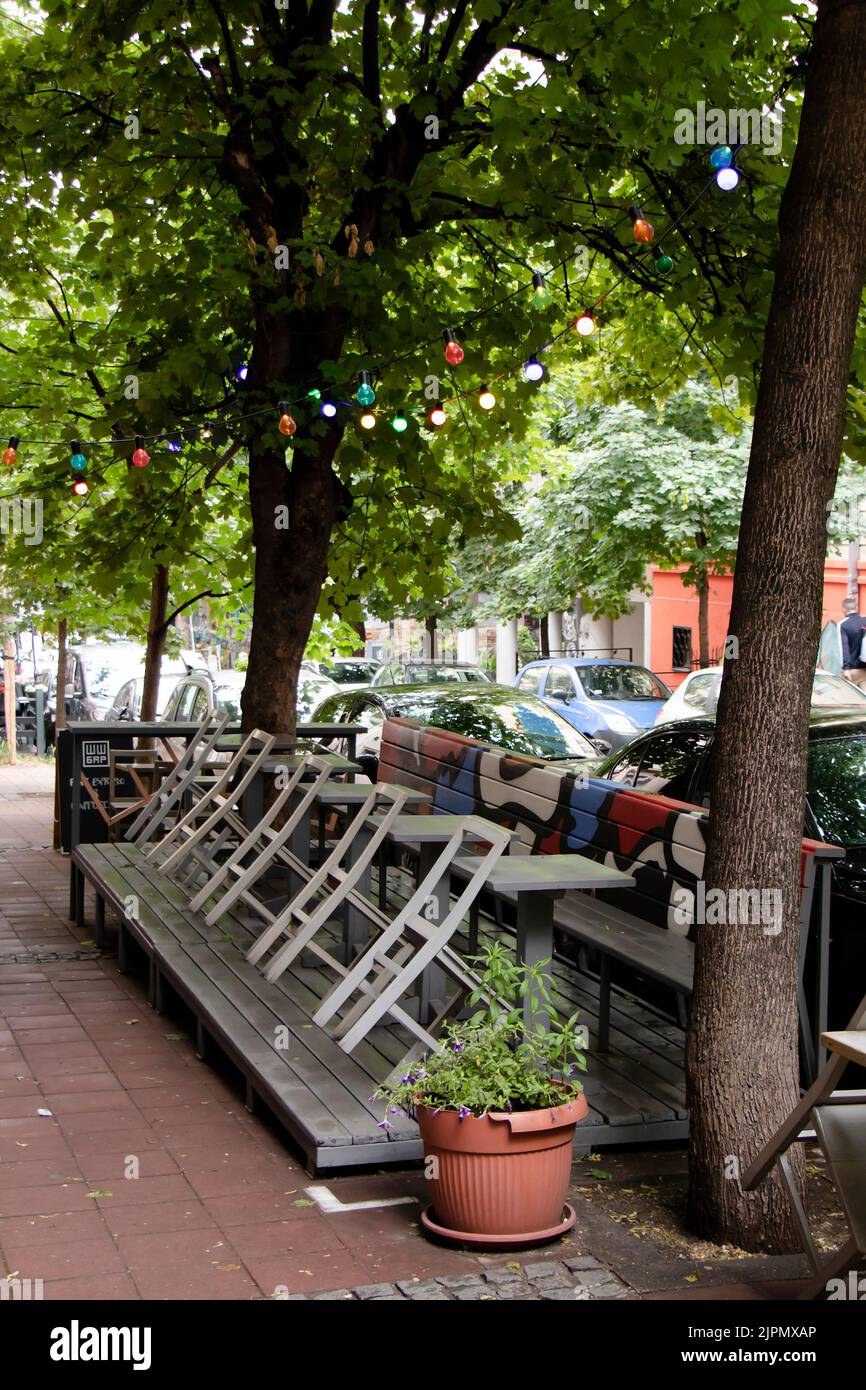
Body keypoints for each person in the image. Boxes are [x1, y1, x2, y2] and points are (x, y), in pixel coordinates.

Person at [840, 597, 866, 685]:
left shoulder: (844, 625)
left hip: (852, 671)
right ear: (856, 608)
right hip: (864, 669)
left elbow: (844, 647)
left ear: (844, 609)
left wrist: (846, 668)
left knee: (846, 697)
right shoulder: (864, 621)